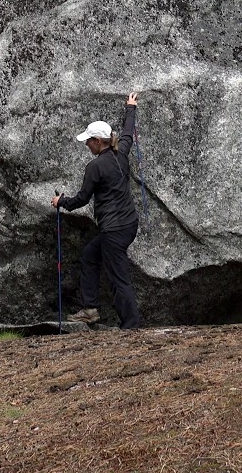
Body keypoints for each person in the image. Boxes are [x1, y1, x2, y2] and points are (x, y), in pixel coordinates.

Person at [51, 92, 142, 329]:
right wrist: (130, 107)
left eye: (89, 140)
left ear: (98, 142)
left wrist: (61, 202)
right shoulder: (121, 152)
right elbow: (127, 133)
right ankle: (90, 309)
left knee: (118, 278)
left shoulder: (95, 166)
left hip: (113, 230)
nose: (86, 144)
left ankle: (131, 326)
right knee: (90, 255)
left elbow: (82, 199)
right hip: (128, 225)